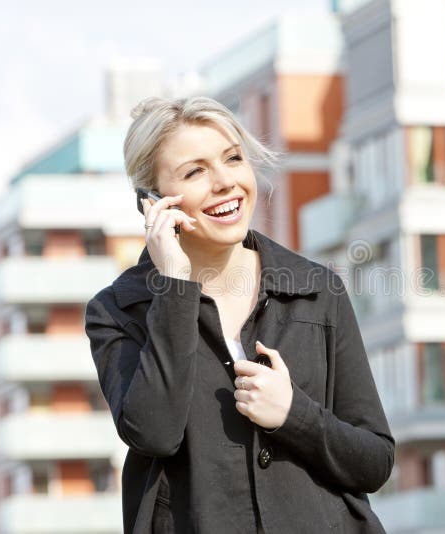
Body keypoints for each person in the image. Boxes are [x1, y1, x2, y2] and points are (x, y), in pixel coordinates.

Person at [84, 96, 394, 534]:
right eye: (195, 171)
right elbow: (154, 432)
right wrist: (176, 285)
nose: (225, 182)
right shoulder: (117, 311)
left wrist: (294, 414)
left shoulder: (318, 291)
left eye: (232, 159)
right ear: (151, 202)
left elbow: (375, 461)